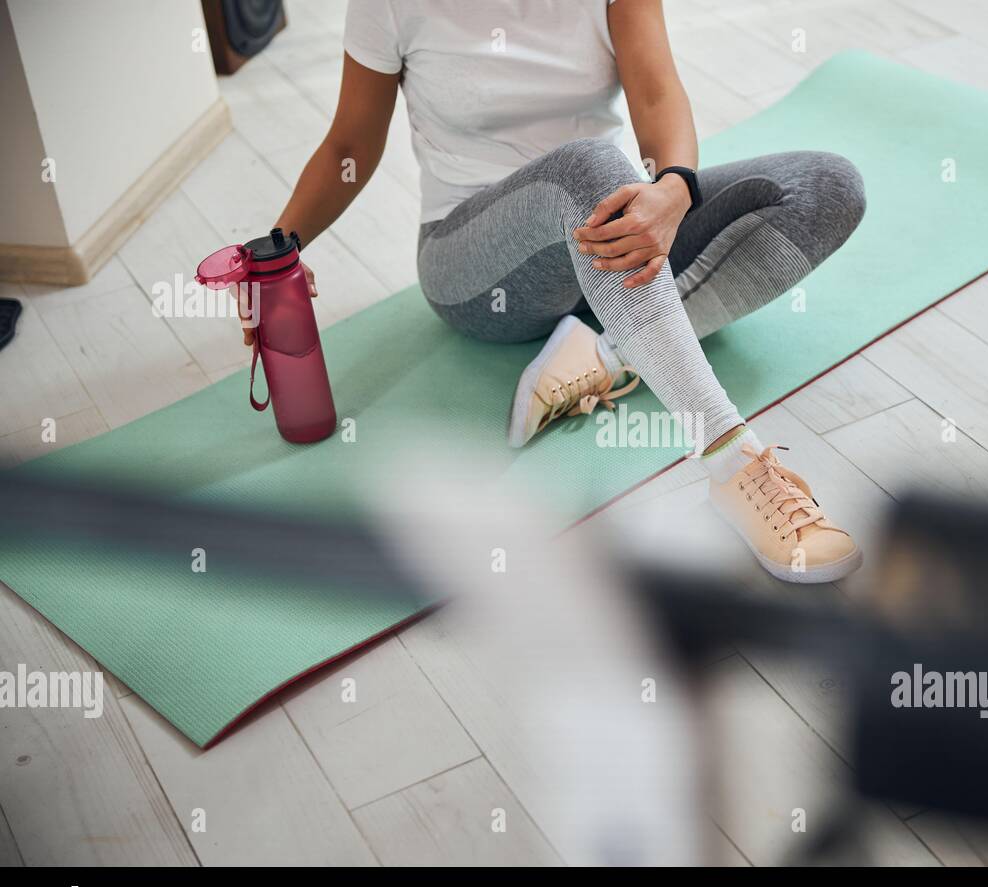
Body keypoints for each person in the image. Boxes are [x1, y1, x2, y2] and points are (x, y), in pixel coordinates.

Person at [267, 0, 866, 583]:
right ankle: (734, 462)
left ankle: (603, 352)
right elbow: (350, 145)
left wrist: (675, 188)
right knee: (589, 167)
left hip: (608, 247)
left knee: (825, 186)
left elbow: (656, 92)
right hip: (477, 266)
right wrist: (276, 251)